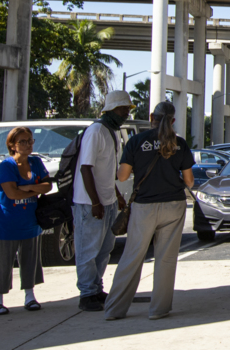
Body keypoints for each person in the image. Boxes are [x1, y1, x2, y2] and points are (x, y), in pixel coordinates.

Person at [105, 101, 196, 320]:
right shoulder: (180, 144)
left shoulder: (136, 142)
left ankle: (115, 309)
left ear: (150, 117)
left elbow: (123, 176)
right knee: (166, 259)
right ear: (173, 120)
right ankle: (158, 310)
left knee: (132, 256)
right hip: (173, 205)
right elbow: (190, 181)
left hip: (144, 206)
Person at [73, 90, 132, 312]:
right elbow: (86, 168)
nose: (126, 113)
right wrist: (95, 202)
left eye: (127, 109)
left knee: (104, 249)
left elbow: (107, 172)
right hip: (90, 204)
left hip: (107, 201)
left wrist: (116, 196)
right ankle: (87, 293)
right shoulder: (95, 131)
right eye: (123, 109)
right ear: (111, 110)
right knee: (88, 250)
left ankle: (96, 288)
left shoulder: (113, 133)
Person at [0, 126, 52, 315]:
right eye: (22, 141)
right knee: (2, 263)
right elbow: (12, 193)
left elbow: (47, 186)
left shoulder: (36, 162)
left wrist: (27, 188)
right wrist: (34, 188)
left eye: (30, 140)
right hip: (5, 224)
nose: (27, 145)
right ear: (12, 145)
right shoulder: (6, 166)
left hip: (30, 222)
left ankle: (30, 296)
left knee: (30, 261)